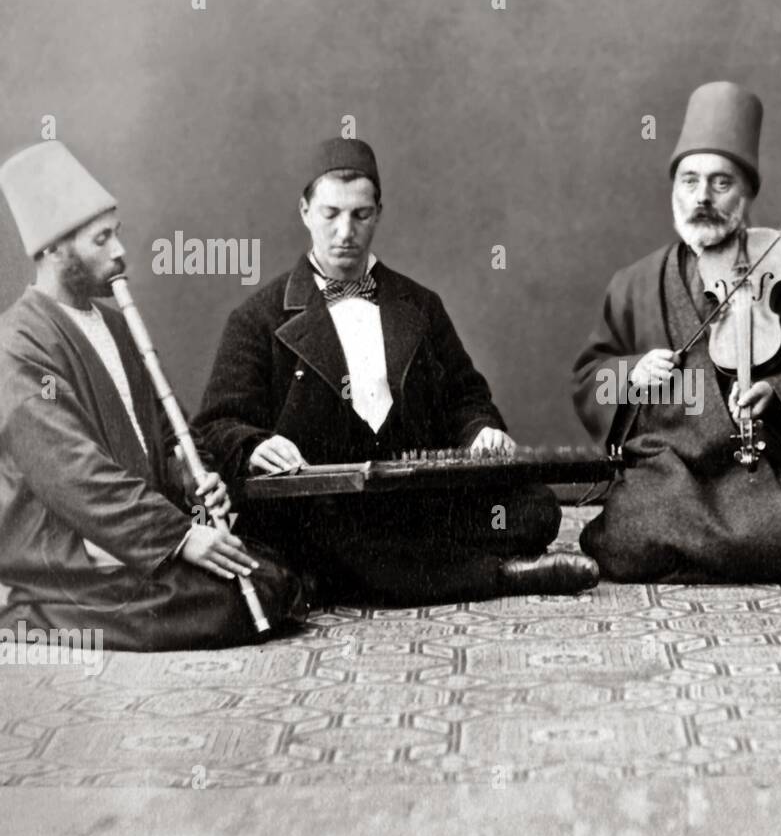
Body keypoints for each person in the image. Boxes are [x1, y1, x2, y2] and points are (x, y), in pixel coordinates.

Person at [195, 138, 598, 604]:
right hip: (319, 510)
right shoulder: (258, 317)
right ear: (304, 211)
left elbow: (466, 395)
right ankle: (505, 576)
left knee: (535, 510)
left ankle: (366, 576)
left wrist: (480, 431)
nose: (345, 231)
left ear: (379, 214)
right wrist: (254, 445)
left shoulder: (420, 305)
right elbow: (216, 425)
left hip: (411, 501)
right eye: (330, 214)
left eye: (360, 215)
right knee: (315, 538)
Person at [0, 141, 306, 651]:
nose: (119, 252)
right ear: (53, 250)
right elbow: (72, 473)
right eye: (101, 240)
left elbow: (169, 434)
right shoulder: (16, 345)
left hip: (134, 540)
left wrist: (194, 478)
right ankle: (32, 613)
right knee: (231, 602)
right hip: (69, 555)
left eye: (116, 234)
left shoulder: (117, 326)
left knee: (274, 574)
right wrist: (181, 537)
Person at [573, 82, 781, 581]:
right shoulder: (635, 282)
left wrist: (779, 393)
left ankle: (720, 548)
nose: (702, 198)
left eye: (721, 183)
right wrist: (631, 374)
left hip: (763, 468)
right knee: (636, 527)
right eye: (689, 181)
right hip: (669, 467)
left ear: (748, 192)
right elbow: (590, 375)